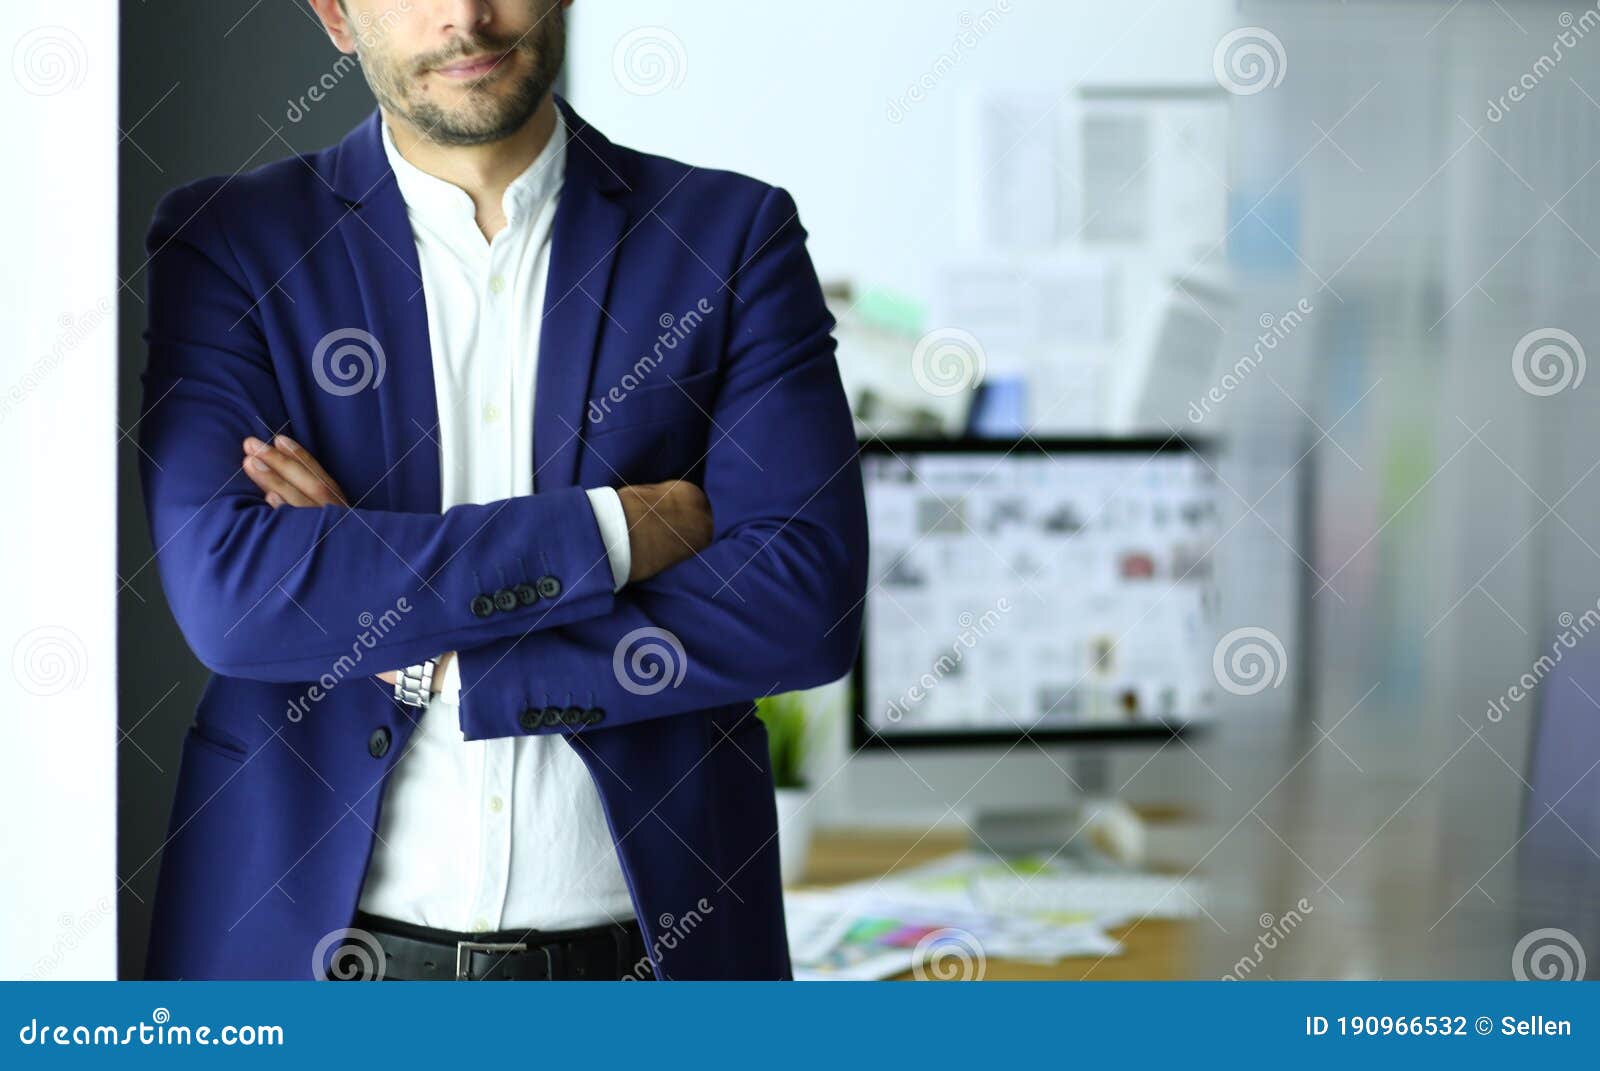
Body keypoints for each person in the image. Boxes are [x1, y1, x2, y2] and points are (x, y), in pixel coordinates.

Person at [138, 0, 866, 980]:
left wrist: (430, 656)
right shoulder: (232, 240)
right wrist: (614, 532)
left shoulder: (727, 238)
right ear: (336, 17)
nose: (466, 18)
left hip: (654, 970)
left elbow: (801, 601)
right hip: (311, 970)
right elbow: (238, 598)